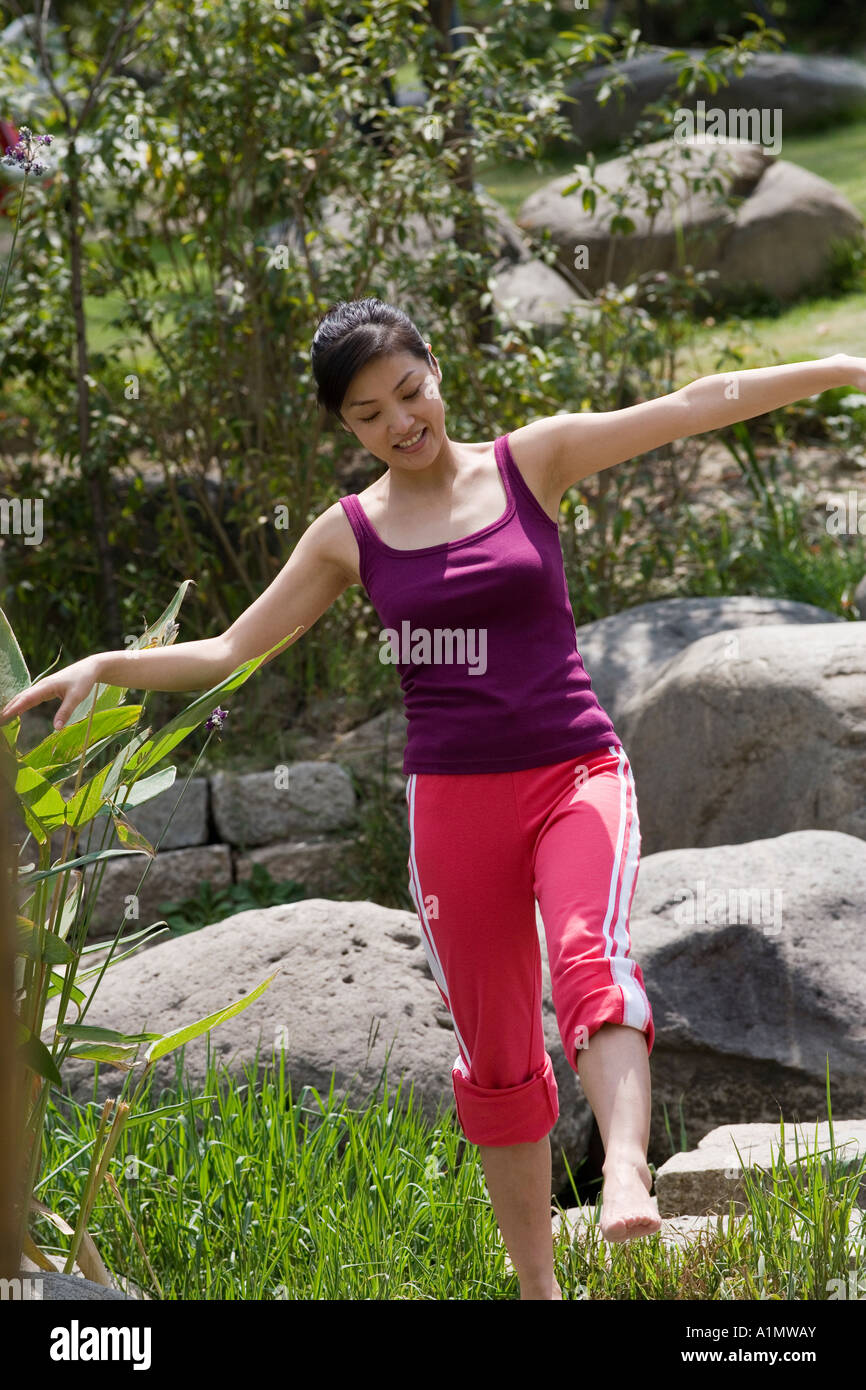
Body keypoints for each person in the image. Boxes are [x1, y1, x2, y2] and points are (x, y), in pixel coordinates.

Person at [2, 297, 862, 1301]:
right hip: (453, 804)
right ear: (347, 429)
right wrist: (108, 660)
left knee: (588, 956)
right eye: (369, 413)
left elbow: (689, 402)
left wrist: (840, 366)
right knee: (497, 1057)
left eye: (408, 392)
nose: (400, 421)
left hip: (572, 769)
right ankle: (537, 1290)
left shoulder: (530, 462)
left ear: (435, 370)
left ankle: (626, 1167)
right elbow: (234, 649)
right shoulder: (347, 534)